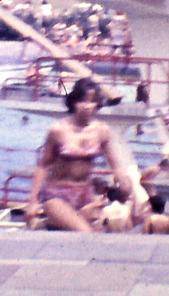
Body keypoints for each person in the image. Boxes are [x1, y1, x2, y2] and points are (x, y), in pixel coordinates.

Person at [26, 77, 130, 232]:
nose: (87, 106)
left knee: (108, 230)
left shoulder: (102, 130)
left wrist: (125, 182)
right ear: (74, 102)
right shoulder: (58, 130)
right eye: (83, 101)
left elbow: (114, 164)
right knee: (84, 231)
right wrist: (33, 201)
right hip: (57, 195)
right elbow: (43, 165)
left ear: (97, 104)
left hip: (85, 194)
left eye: (92, 101)